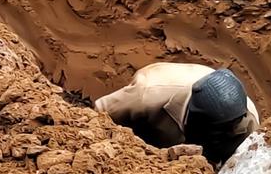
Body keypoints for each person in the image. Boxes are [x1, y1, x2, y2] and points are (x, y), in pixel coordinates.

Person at [95, 61, 259, 166]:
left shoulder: (247, 123)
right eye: (215, 134)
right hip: (146, 132)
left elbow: (237, 170)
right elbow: (96, 117)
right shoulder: (146, 93)